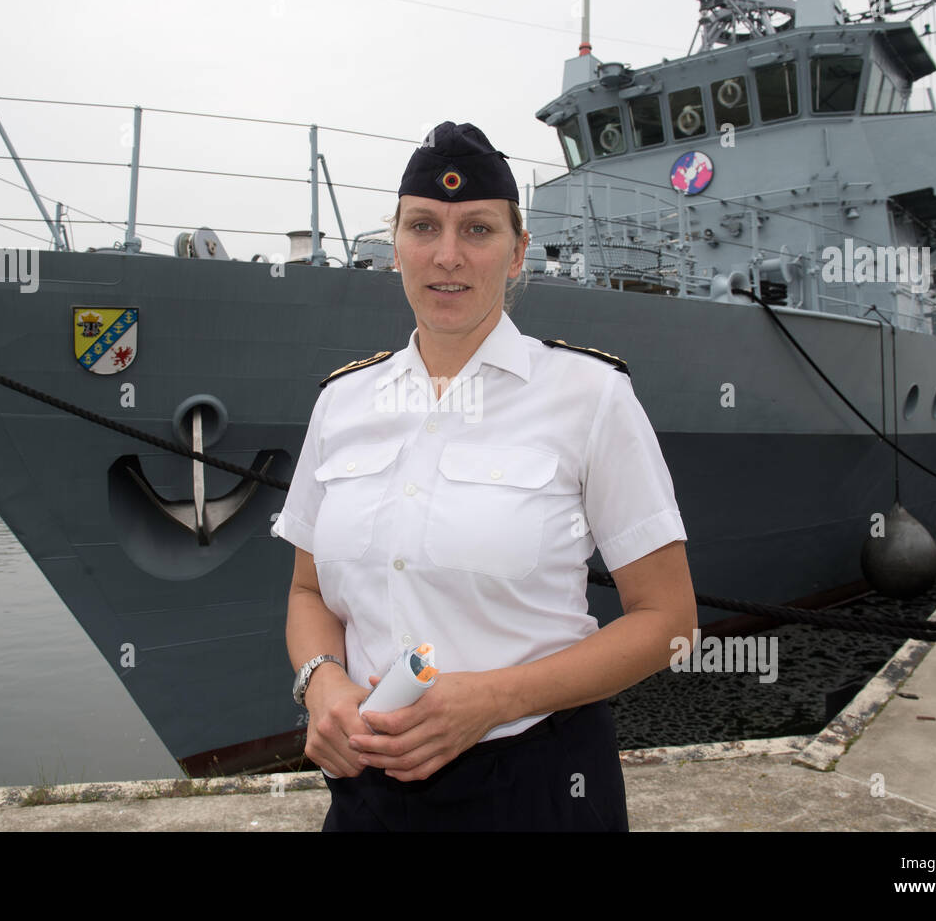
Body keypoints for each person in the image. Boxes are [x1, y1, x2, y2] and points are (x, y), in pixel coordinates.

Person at [272, 121, 697, 831]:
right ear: (396, 244)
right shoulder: (343, 403)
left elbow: (669, 621)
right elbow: (308, 591)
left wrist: (497, 699)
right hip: (370, 795)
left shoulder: (590, 397)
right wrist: (322, 684)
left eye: (477, 230)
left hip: (537, 787)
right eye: (423, 227)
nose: (447, 255)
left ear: (517, 252)